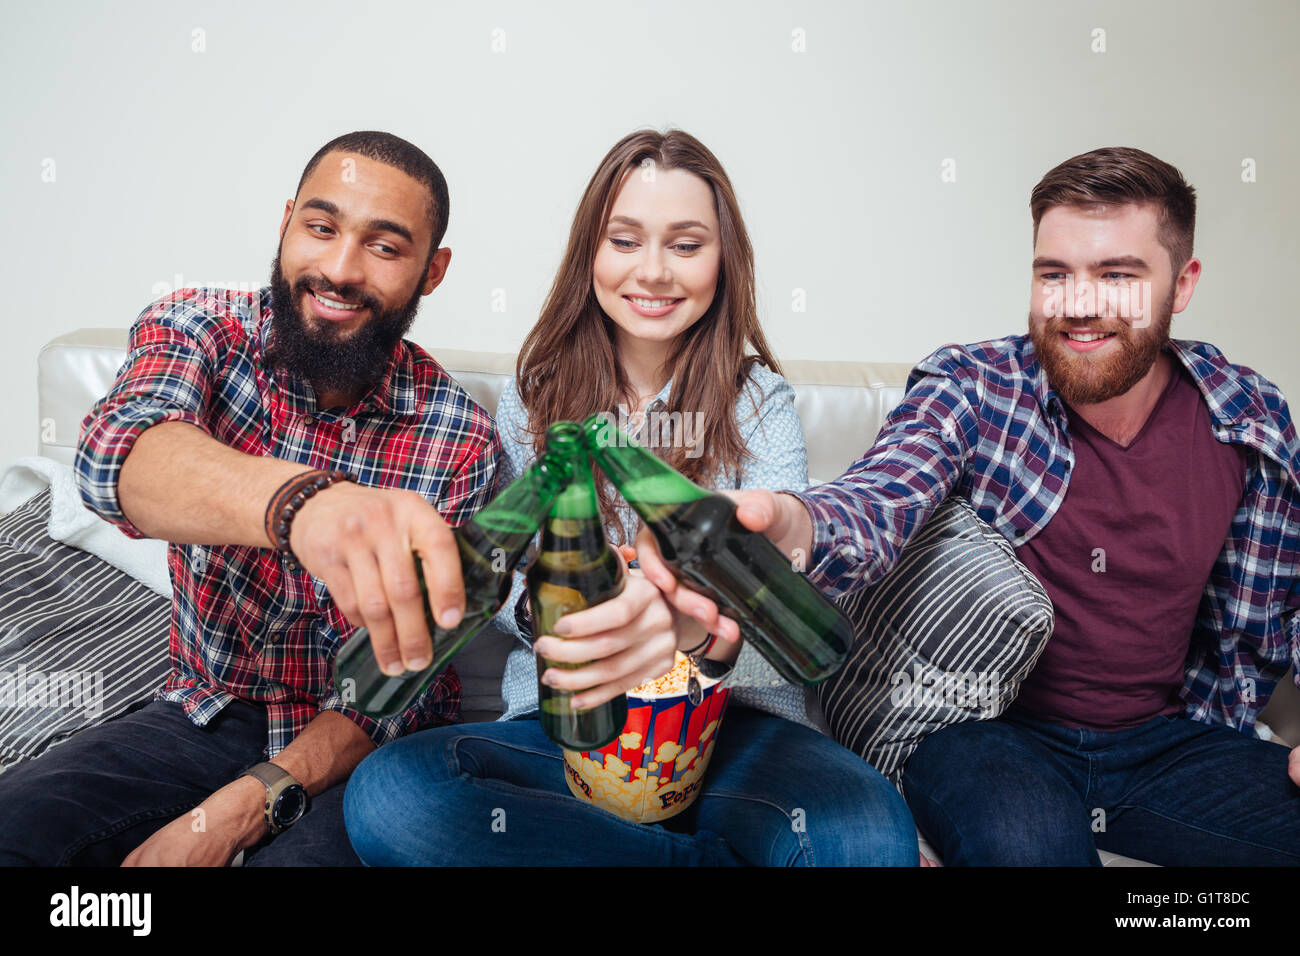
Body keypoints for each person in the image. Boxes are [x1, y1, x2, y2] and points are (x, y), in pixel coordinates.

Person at [636, 146, 1300, 866]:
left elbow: (1290, 593)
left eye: (1117, 277)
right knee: (1028, 848)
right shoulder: (975, 385)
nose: (1078, 304)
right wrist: (787, 522)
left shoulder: (1248, 418)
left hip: (1165, 743)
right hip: (987, 734)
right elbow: (878, 498)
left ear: (1183, 283)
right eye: (1054, 274)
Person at [343, 129, 918, 866]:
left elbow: (781, 614)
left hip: (737, 733)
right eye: (625, 240)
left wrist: (687, 622)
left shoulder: (759, 402)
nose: (653, 272)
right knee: (393, 796)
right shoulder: (533, 399)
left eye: (685, 245)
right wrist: (577, 606)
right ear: (592, 251)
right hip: (566, 731)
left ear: (723, 262)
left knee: (869, 839)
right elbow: (519, 604)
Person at [0, 131, 500, 866]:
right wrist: (304, 505)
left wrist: (239, 810)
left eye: (385, 247)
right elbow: (118, 457)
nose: (338, 269)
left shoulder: (458, 435)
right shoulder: (199, 327)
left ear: (433, 272)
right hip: (202, 710)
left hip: (355, 747)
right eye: (321, 228)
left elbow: (399, 688)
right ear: (286, 222)